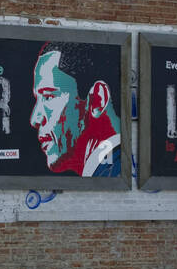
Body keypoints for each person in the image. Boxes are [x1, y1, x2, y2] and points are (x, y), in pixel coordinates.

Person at [29, 42, 121, 176]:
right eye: (38, 98)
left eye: (48, 97)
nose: (34, 119)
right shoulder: (109, 173)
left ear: (97, 100)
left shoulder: (113, 173)